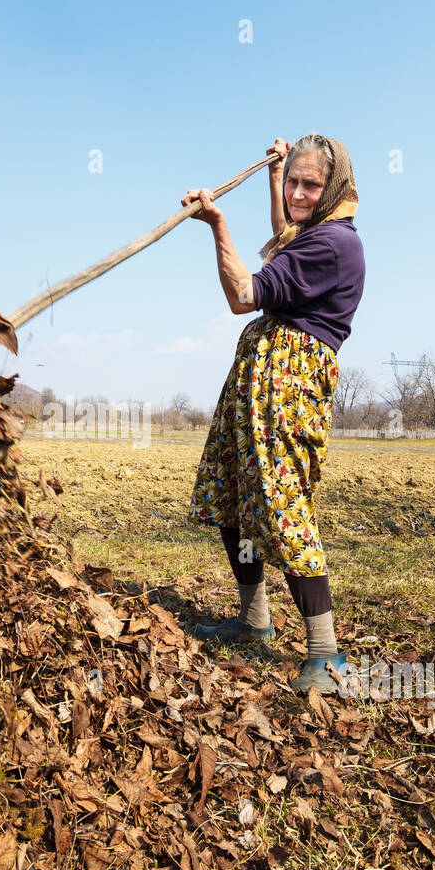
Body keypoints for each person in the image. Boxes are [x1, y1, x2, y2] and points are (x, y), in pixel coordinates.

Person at [180, 133, 365, 694]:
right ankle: (256, 618)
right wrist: (274, 172)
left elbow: (243, 294)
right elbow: (286, 233)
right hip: (258, 376)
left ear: (333, 187)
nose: (299, 193)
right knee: (232, 492)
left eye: (311, 184)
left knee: (284, 506)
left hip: (289, 385)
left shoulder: (333, 245)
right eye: (294, 182)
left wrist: (218, 226)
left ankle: (326, 654)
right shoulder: (309, 236)